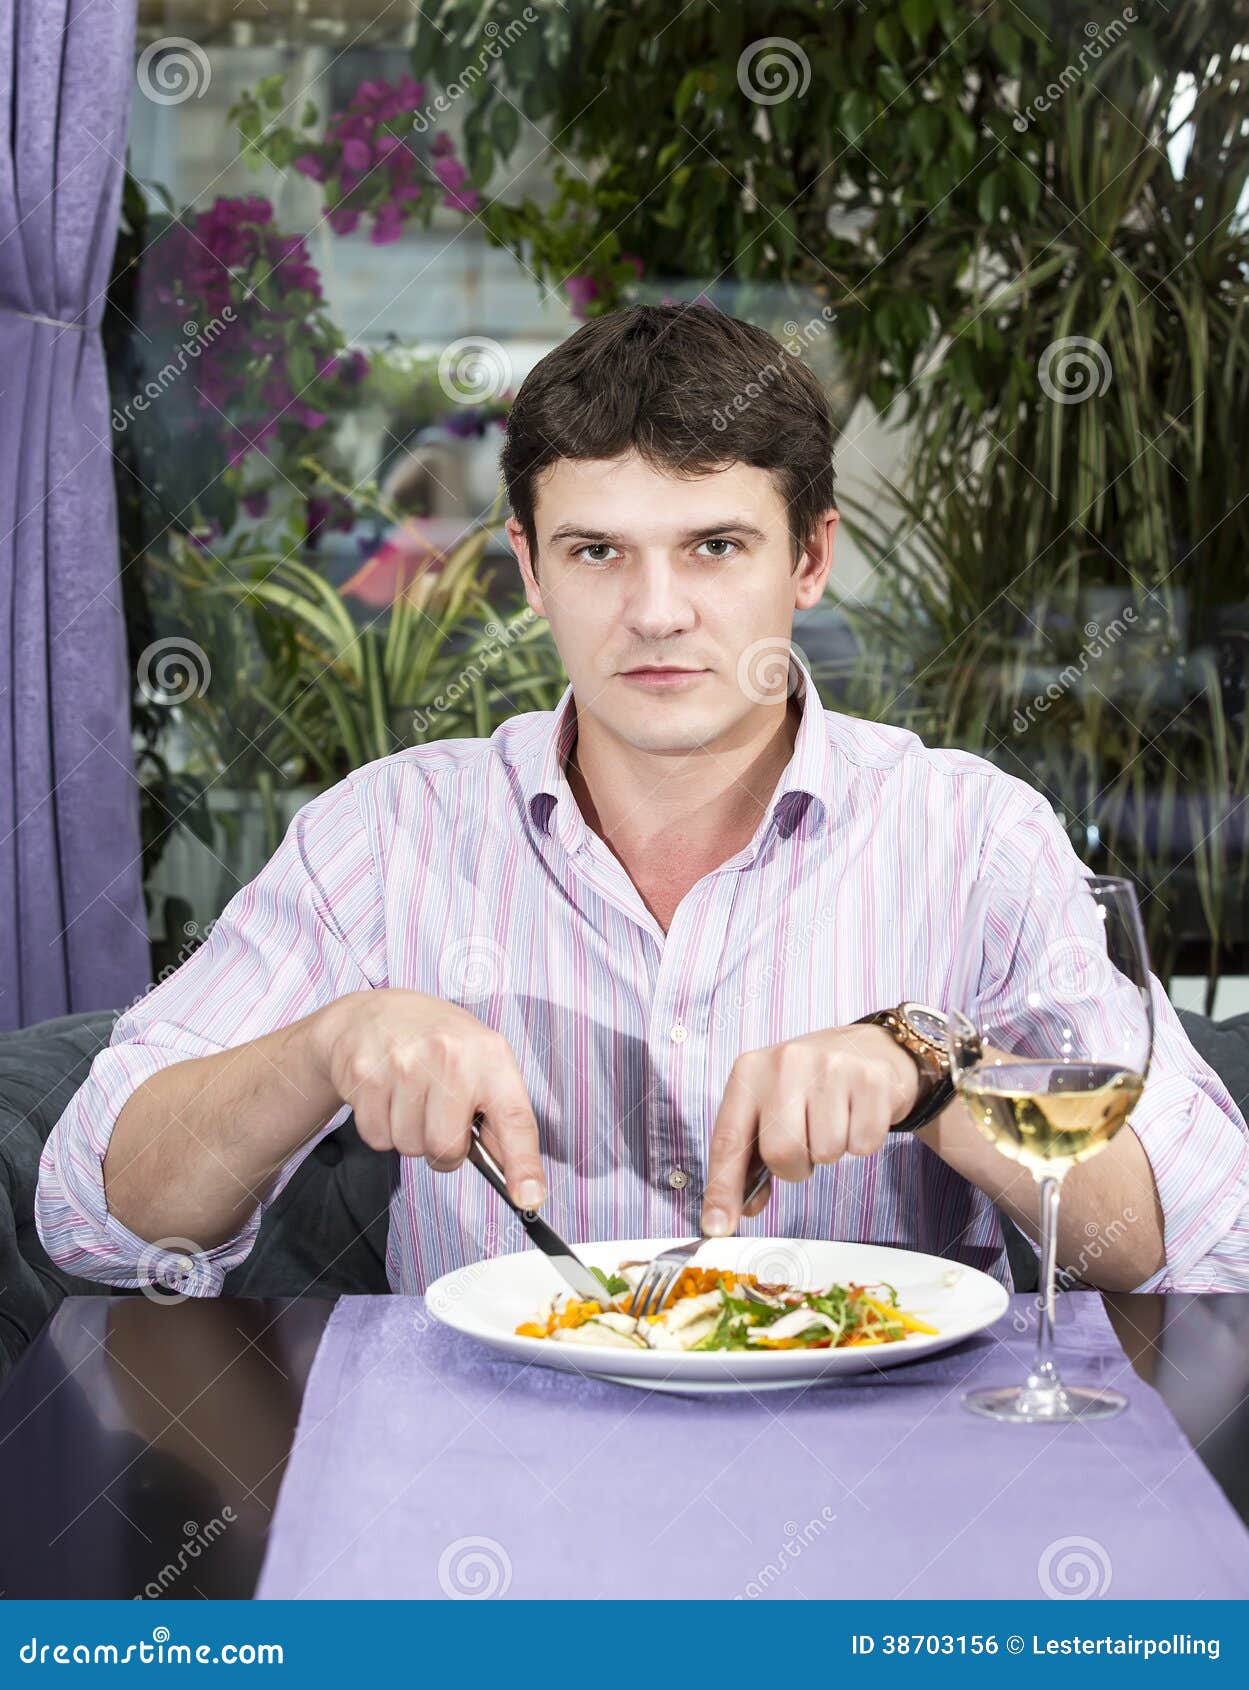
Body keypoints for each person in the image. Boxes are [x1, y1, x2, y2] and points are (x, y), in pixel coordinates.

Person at [37, 303, 1249, 1298]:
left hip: (877, 1507)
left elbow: (1195, 1246)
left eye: (715, 547)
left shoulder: (973, 837)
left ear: (809, 558)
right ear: (527, 566)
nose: (656, 611)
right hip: (483, 1516)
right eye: (597, 551)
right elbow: (99, 1215)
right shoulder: (385, 832)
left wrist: (935, 1076)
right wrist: (321, 1048)